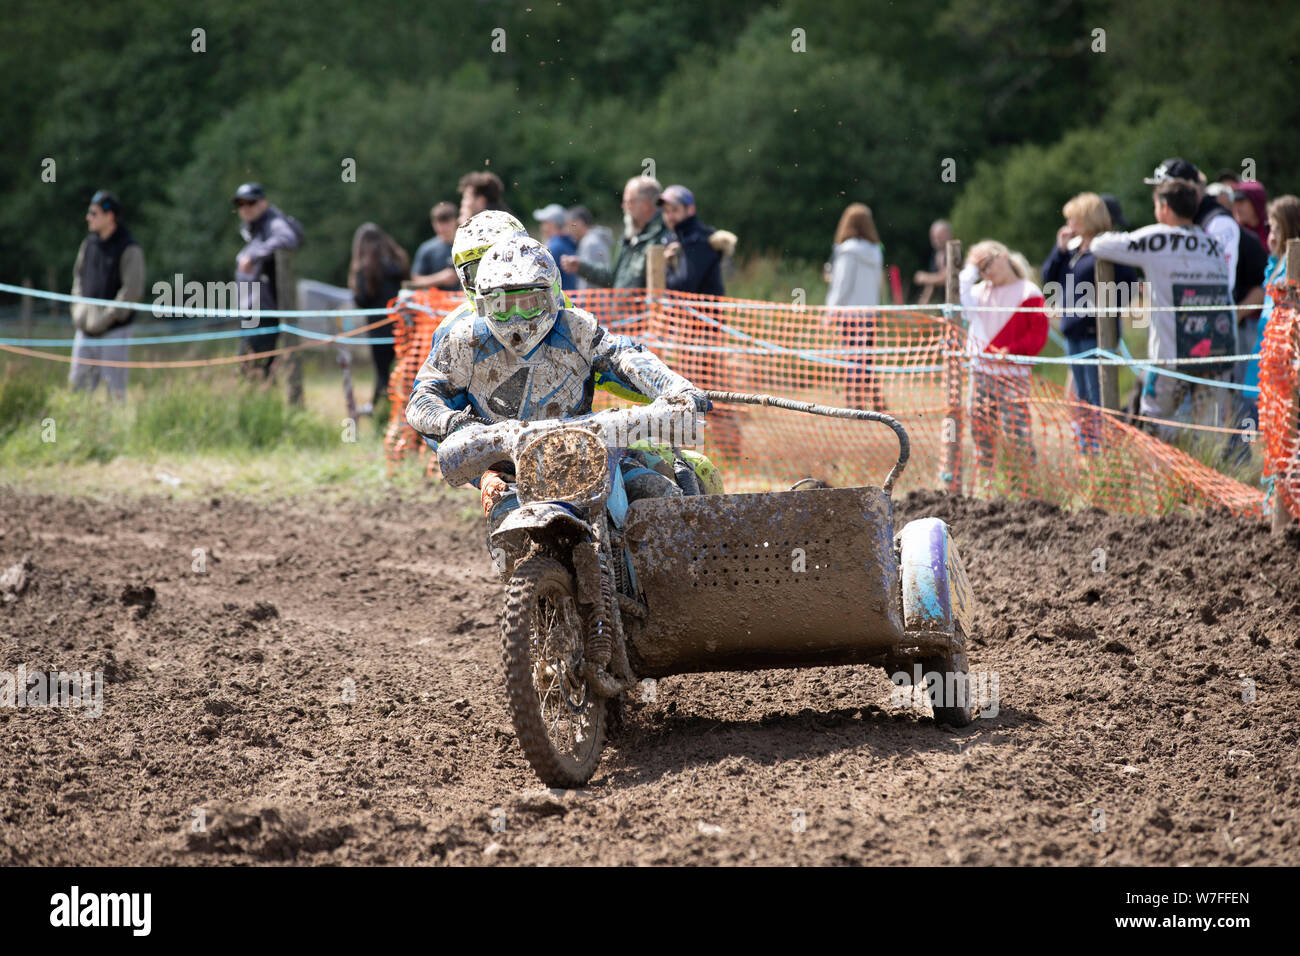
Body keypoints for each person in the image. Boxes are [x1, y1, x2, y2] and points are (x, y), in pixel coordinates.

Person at [405, 234, 712, 530]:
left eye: (530, 304)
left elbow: (626, 357)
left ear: (552, 295)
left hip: (593, 450)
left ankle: (689, 573)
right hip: (512, 469)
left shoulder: (576, 328)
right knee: (507, 527)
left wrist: (677, 388)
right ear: (483, 303)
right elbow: (423, 396)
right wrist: (453, 422)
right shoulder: (464, 340)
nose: (517, 318)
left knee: (662, 492)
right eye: (502, 305)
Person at [1090, 179, 1235, 440]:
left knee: (1156, 424)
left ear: (1164, 208)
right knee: (1208, 431)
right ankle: (1206, 476)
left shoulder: (1157, 238)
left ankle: (1164, 478)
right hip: (1217, 349)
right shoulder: (1212, 243)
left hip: (1171, 354)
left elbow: (1101, 245)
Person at [1041, 192, 1138, 453]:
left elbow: (1129, 285)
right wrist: (1058, 250)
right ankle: (1087, 447)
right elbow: (1049, 277)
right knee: (1081, 395)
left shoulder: (1106, 249)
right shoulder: (1073, 250)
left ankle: (1104, 449)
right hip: (1074, 332)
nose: (1069, 224)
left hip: (1096, 333)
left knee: (1099, 394)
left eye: (1073, 219)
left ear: (1087, 219)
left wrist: (1103, 310)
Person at [960, 240, 1048, 485]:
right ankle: (986, 478)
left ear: (1003, 256)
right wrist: (970, 269)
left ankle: (1024, 479)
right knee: (980, 425)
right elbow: (962, 297)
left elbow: (1037, 335)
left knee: (1016, 429)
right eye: (981, 269)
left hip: (1013, 375)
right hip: (982, 371)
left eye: (987, 264)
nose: (986, 272)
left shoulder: (1029, 292)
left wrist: (1012, 351)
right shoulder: (978, 293)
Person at [68, 190, 145, 399]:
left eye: (93, 213)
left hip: (114, 332)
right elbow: (78, 277)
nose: (88, 218)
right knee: (77, 392)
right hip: (85, 330)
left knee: (115, 394)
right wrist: (78, 310)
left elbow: (132, 290)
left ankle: (115, 431)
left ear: (109, 216)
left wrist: (106, 317)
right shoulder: (89, 244)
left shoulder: (129, 248)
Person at [1240, 195, 1300, 448]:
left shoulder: (1294, 263)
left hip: (1286, 360)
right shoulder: (1275, 263)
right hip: (1268, 354)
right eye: (1270, 228)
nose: (1271, 235)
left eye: (1276, 228)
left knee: (1287, 430)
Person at [232, 182, 304, 378]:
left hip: (263, 314)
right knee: (251, 372)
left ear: (263, 203)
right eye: (240, 204)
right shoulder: (255, 229)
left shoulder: (273, 223)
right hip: (252, 312)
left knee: (254, 372)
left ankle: (262, 404)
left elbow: (288, 238)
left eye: (251, 202)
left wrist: (254, 256)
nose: (245, 208)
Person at [822, 203, 886, 412]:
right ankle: (875, 401)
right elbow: (878, 283)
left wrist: (830, 311)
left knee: (852, 358)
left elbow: (842, 286)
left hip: (850, 313)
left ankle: (854, 403)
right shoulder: (875, 252)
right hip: (869, 313)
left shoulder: (847, 252)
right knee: (865, 358)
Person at [560, 175, 668, 288]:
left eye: (629, 202)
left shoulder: (663, 236)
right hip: (622, 305)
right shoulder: (630, 236)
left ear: (645, 205)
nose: (624, 207)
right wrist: (582, 267)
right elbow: (614, 278)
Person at [349, 223, 411, 414]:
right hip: (403, 324)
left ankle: (382, 411)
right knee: (405, 368)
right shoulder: (398, 262)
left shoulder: (365, 269)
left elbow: (361, 299)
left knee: (383, 372)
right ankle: (394, 408)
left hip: (378, 328)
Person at [658, 185, 729, 297]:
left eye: (675, 210)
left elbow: (684, 287)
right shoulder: (670, 238)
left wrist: (663, 267)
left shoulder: (700, 239)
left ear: (690, 210)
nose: (670, 216)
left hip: (700, 313)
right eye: (666, 211)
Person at [409, 202, 460, 291]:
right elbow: (415, 280)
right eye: (439, 223)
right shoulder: (426, 249)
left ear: (455, 220)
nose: (443, 227)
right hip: (436, 301)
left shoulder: (466, 245)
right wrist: (440, 279)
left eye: (447, 222)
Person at [565, 206, 613, 291]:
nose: (568, 230)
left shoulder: (590, 243)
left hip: (594, 300)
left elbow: (588, 279)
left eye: (570, 225)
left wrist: (583, 301)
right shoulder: (591, 240)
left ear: (579, 223)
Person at [532, 203, 578, 291]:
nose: (541, 227)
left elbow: (537, 275)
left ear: (552, 224)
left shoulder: (555, 247)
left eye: (544, 222)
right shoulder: (567, 242)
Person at [913, 219, 954, 304]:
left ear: (949, 235)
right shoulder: (936, 253)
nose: (936, 240)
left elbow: (948, 277)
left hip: (955, 303)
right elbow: (931, 285)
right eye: (933, 237)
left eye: (939, 236)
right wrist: (922, 304)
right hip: (943, 303)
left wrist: (925, 277)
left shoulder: (954, 252)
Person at [1233, 181, 1271, 251]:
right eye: (1235, 202)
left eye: (1241, 202)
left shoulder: (1272, 231)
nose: (1237, 208)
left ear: (1256, 203)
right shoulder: (1234, 233)